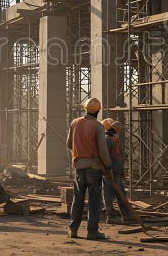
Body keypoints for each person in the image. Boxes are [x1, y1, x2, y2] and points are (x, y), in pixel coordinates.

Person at [66, 97, 111, 240]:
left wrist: (78, 153)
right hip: (94, 168)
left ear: (85, 109)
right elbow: (103, 150)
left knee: (77, 198)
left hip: (79, 167)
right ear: (98, 111)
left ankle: (73, 230)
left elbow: (69, 144)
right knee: (94, 200)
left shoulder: (75, 123)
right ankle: (92, 232)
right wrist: (108, 166)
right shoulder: (98, 126)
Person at [100, 118, 131, 224]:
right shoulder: (107, 139)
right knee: (108, 193)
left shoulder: (112, 139)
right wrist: (108, 170)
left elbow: (116, 155)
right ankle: (111, 215)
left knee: (120, 193)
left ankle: (125, 214)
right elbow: (105, 156)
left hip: (116, 171)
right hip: (110, 171)